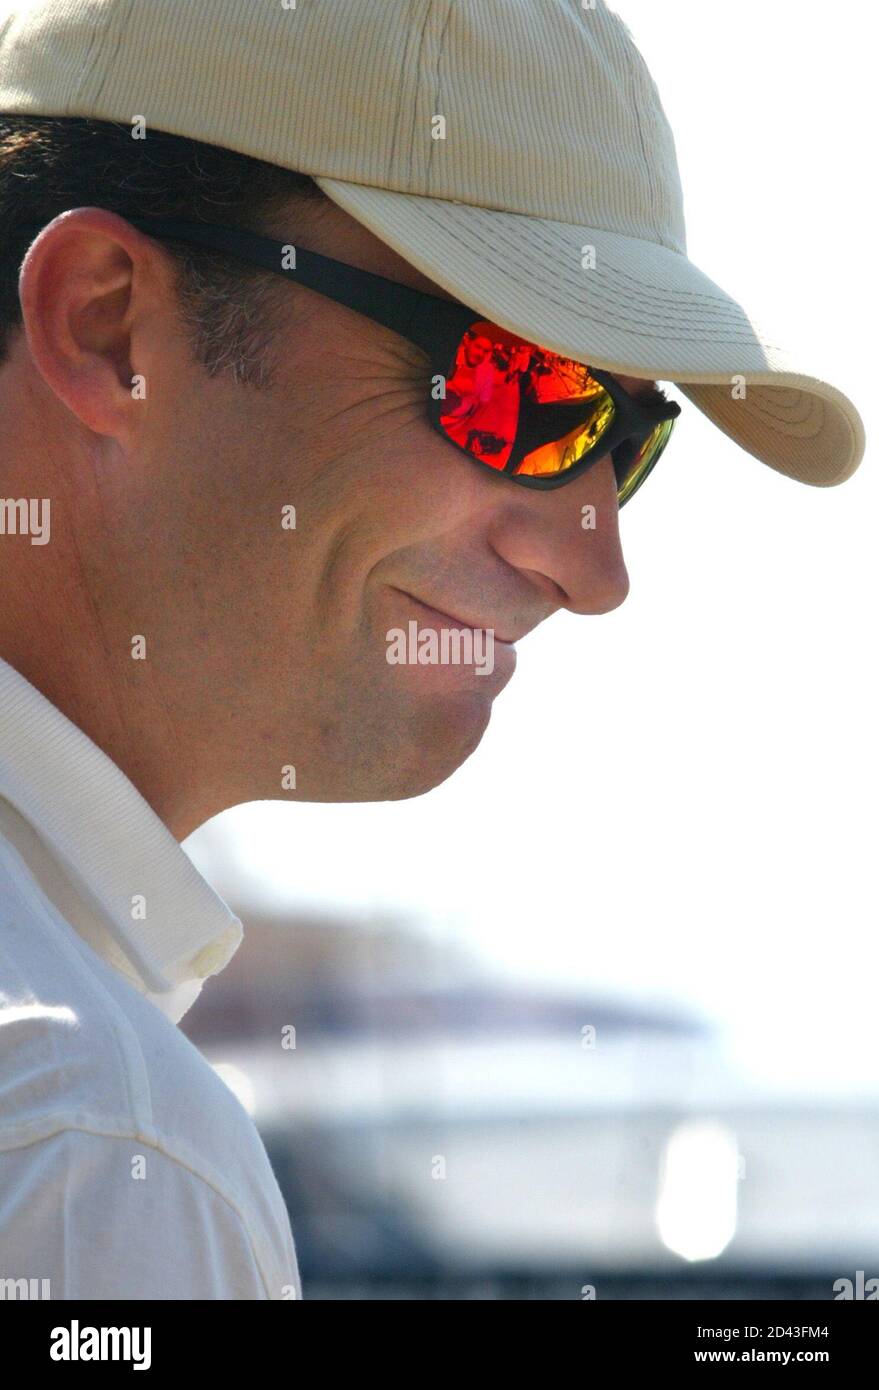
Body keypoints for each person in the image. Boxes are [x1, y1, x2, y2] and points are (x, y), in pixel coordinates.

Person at [0, 0, 864, 1300]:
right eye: (520, 393)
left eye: (629, 439)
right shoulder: (95, 1145)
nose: (594, 566)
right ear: (106, 324)